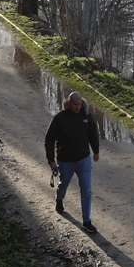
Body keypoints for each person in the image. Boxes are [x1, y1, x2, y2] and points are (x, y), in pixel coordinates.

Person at [44, 92, 101, 234]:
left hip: (84, 159)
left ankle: (86, 221)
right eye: (75, 105)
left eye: (80, 104)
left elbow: (92, 132)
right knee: (63, 185)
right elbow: (49, 139)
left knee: (86, 190)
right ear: (69, 103)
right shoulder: (59, 119)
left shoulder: (86, 115)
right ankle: (59, 199)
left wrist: (96, 150)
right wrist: (51, 161)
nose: (78, 107)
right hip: (65, 160)